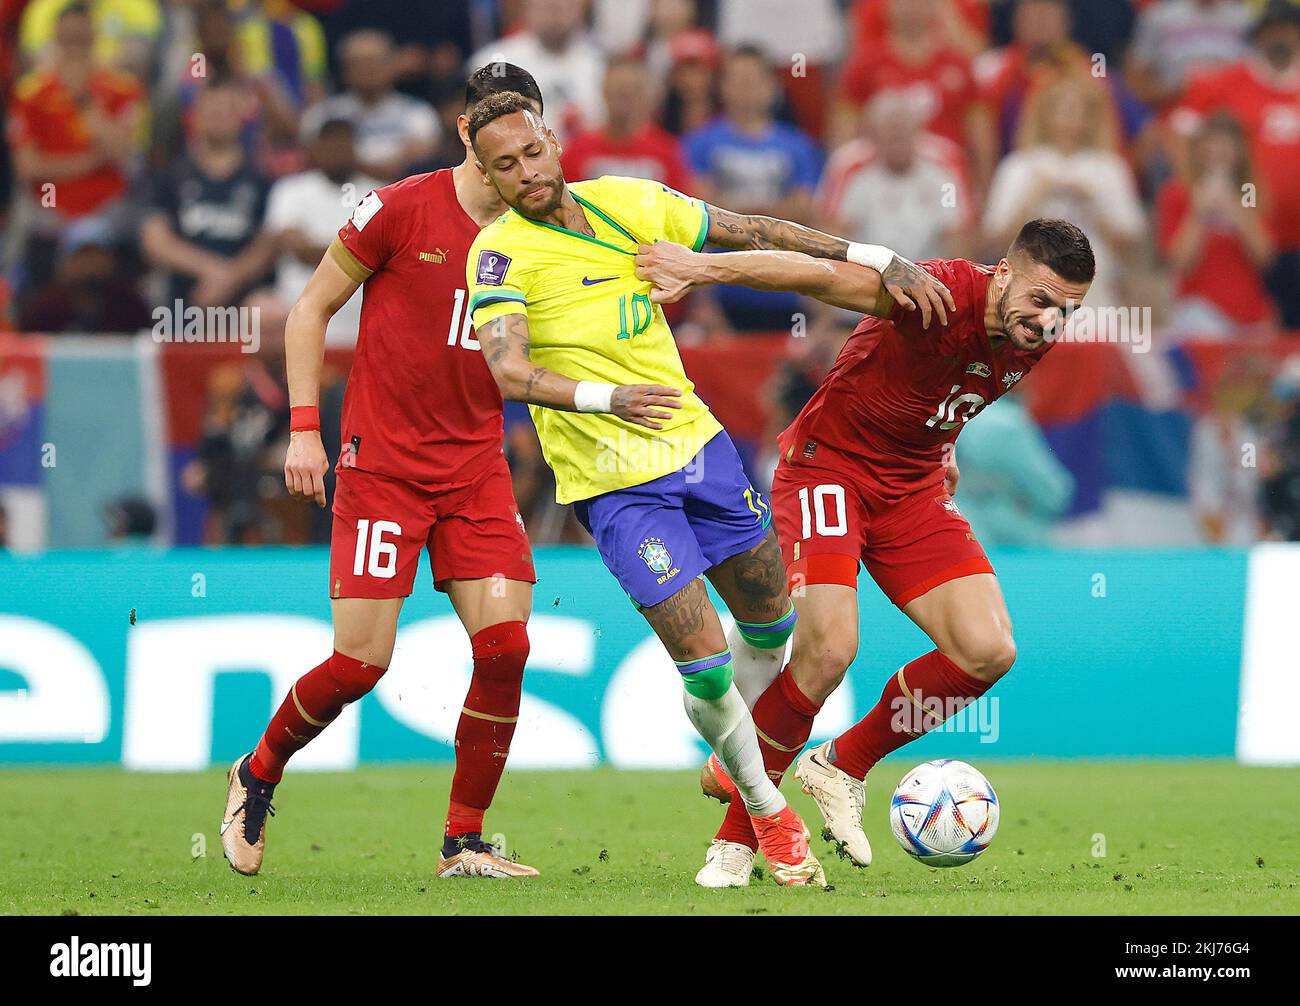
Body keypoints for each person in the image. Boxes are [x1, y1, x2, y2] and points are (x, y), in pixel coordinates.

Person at [462, 90, 950, 887]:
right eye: (504, 166)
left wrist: (873, 257)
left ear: (553, 141)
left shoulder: (630, 203)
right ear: (487, 174)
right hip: (615, 486)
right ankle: (766, 812)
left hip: (700, 451)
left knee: (770, 625)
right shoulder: (499, 256)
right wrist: (605, 398)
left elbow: (757, 232)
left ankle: (732, 764)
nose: (526, 173)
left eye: (532, 152)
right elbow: (507, 369)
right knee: (706, 662)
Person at [634, 218, 1094, 869]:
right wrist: (701, 268)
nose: (1051, 321)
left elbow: (950, 381)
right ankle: (738, 842)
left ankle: (840, 764)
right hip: (832, 468)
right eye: (1043, 301)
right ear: (1005, 274)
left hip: (912, 489)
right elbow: (818, 277)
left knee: (986, 650)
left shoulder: (1028, 333)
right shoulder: (935, 293)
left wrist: (947, 443)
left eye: (1068, 311)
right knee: (828, 650)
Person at [219, 65, 548, 882]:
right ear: (470, 135)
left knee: (505, 646)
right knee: (361, 665)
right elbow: (310, 308)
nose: (523, 163)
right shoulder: (401, 207)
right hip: (385, 470)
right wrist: (304, 430)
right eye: (503, 145)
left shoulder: (549, 229)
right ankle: (256, 772)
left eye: (533, 143)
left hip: (476, 469)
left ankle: (463, 842)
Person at [141, 80, 276, 307]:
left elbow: (269, 243)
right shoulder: (171, 174)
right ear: (195, 116)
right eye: (211, 111)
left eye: (225, 112)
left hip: (246, 306)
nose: (218, 118)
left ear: (240, 117)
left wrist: (230, 277)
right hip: (184, 304)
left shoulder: (261, 178)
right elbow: (155, 240)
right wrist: (211, 270)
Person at [264, 117, 381, 346]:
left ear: (355, 147)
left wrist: (360, 251)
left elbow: (385, 254)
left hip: (361, 326)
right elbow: (299, 248)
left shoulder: (380, 193)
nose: (337, 152)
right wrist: (363, 251)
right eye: (330, 145)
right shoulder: (291, 190)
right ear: (316, 148)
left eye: (343, 145)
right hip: (300, 320)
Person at [299, 29, 439, 183]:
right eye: (359, 63)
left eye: (374, 61)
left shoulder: (418, 112)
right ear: (344, 70)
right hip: (337, 195)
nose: (368, 70)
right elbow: (315, 159)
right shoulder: (323, 115)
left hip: (399, 193)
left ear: (392, 64)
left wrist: (348, 160)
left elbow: (415, 165)